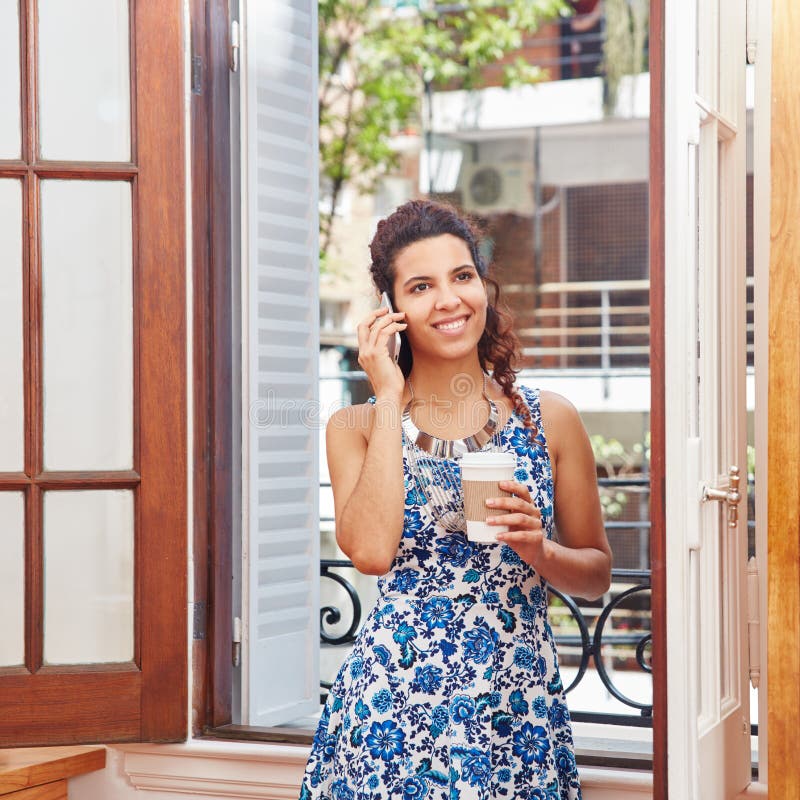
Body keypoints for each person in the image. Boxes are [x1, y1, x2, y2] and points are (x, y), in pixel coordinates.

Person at [299, 200, 611, 800]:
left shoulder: (551, 420)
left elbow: (596, 574)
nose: (449, 300)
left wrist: (538, 550)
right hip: (391, 712)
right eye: (421, 286)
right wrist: (388, 395)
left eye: (462, 276)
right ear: (391, 313)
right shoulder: (356, 426)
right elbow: (368, 552)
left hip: (515, 711)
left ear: (483, 287)